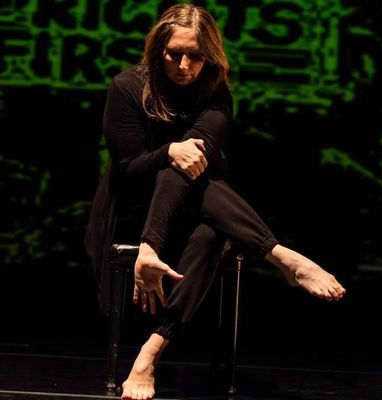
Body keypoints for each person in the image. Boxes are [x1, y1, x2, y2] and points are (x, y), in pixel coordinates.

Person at [84, 4, 346, 400]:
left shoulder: (215, 92)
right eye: (174, 54)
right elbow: (128, 168)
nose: (184, 65)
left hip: (194, 206)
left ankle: (149, 353)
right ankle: (282, 256)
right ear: (158, 50)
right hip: (133, 205)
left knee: (201, 205)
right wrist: (168, 151)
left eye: (195, 55)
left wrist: (177, 155)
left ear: (209, 56)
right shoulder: (127, 86)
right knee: (181, 164)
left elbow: (195, 159)